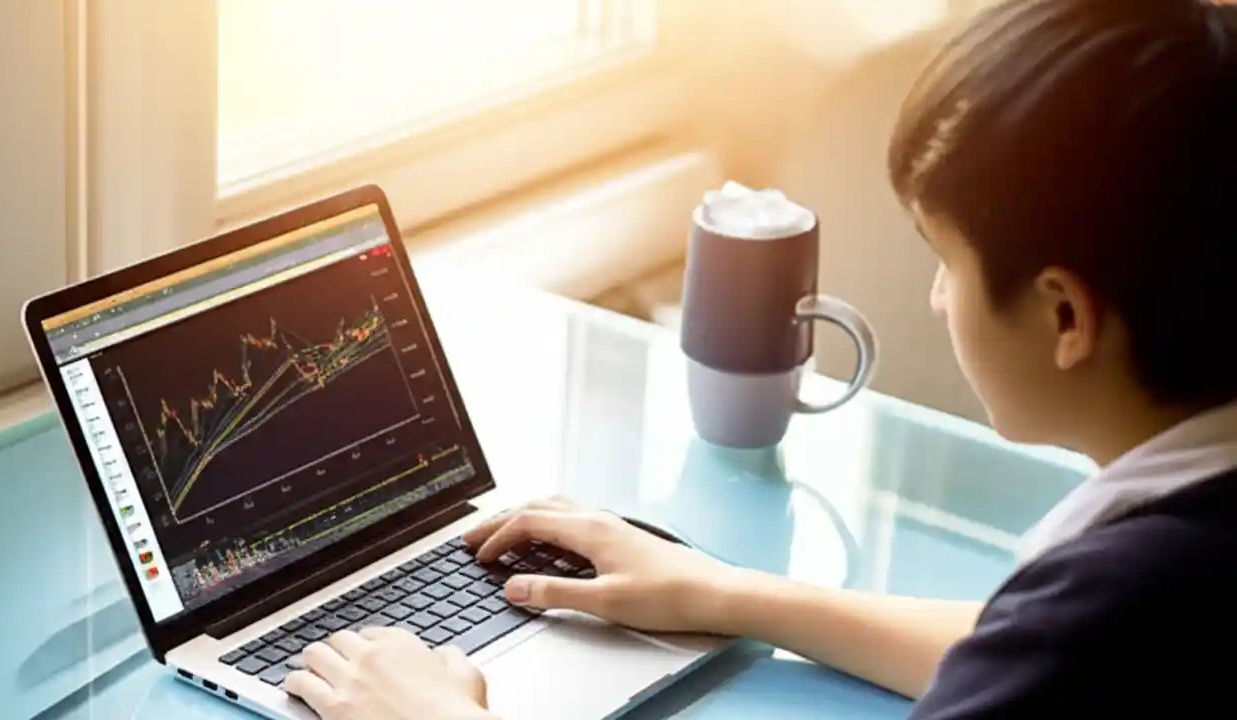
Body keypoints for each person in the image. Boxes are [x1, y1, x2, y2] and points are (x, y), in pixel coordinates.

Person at [283, 0, 1237, 717]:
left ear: (1065, 315)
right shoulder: (1158, 569)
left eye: (945, 261)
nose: (939, 297)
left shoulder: (1123, 607)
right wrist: (721, 592)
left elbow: (1060, 643)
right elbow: (1015, 640)